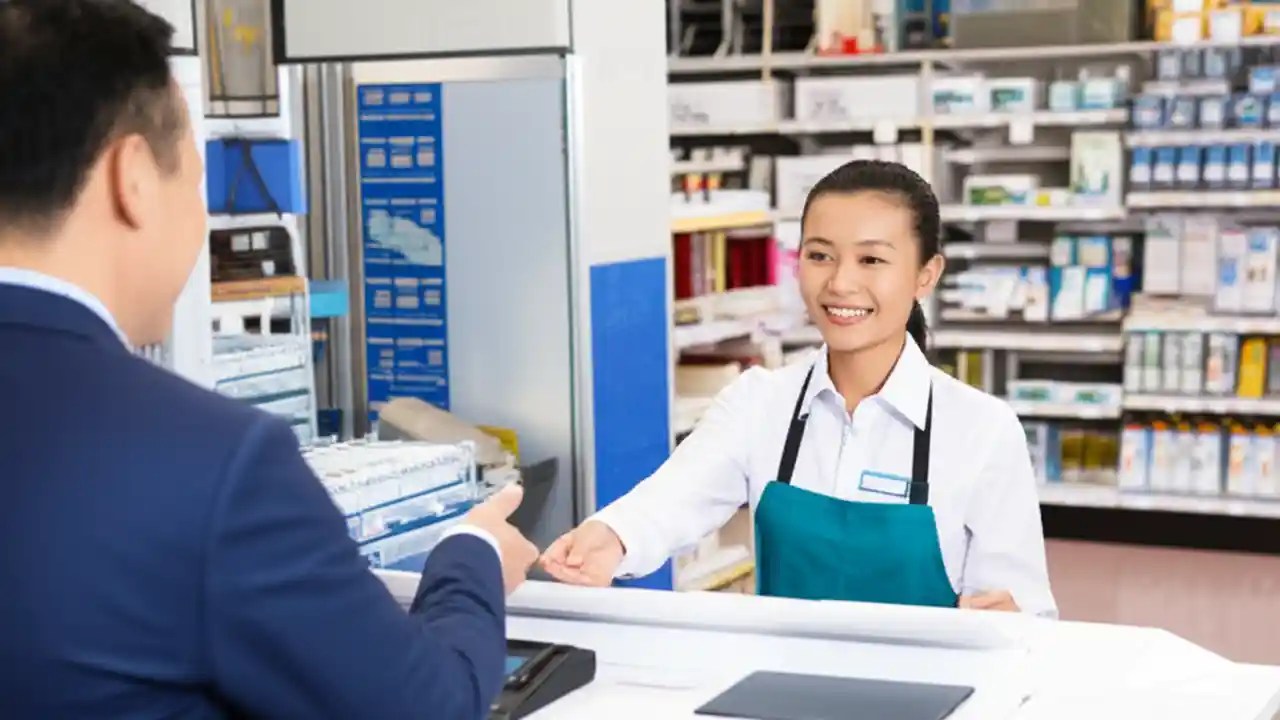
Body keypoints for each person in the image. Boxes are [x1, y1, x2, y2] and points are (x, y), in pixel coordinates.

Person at [0, 1, 539, 717]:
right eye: (192, 182)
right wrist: (469, 557)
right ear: (131, 178)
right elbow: (426, 707)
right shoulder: (210, 462)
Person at [543, 159, 1057, 616]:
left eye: (871, 260)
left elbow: (1025, 610)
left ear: (926, 275)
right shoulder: (759, 403)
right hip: (781, 690)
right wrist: (609, 537)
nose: (839, 283)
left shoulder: (981, 429)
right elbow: (673, 498)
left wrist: (1011, 622)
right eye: (820, 256)